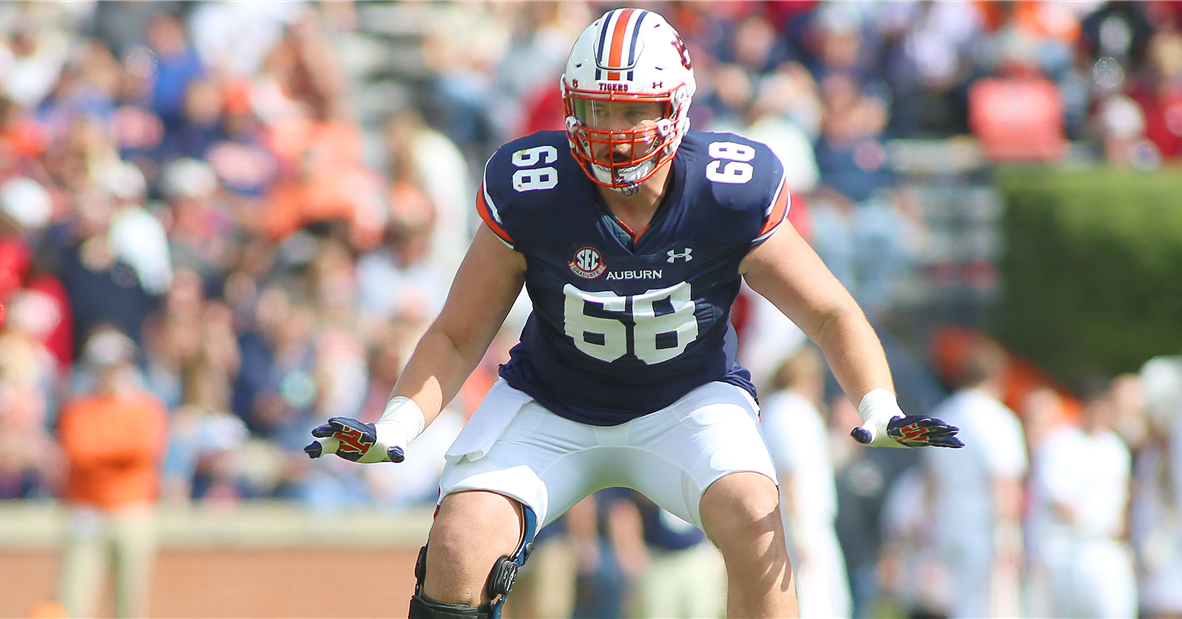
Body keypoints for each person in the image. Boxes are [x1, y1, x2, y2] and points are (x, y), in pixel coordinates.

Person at [307, 8, 962, 619]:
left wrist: (879, 405)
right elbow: (455, 334)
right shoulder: (536, 187)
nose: (611, 131)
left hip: (687, 399)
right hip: (552, 399)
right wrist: (395, 425)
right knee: (459, 539)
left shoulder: (727, 189)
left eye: (630, 111)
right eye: (594, 109)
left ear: (674, 107)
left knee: (756, 515)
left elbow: (828, 311)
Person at [55, 327, 169, 618]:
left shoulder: (145, 408)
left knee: (130, 604)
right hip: (87, 512)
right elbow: (80, 450)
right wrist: (118, 451)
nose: (110, 374)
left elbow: (144, 448)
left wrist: (106, 449)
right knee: (73, 601)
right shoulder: (78, 409)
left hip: (132, 511)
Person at [921, 338, 1027, 619]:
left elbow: (931, 482)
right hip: (983, 527)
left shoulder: (941, 416)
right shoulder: (997, 419)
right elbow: (1003, 483)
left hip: (948, 523)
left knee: (956, 606)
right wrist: (1008, 536)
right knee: (987, 608)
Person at [760, 345, 852, 618]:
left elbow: (816, 467)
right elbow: (791, 474)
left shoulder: (782, 409)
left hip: (800, 521)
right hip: (803, 521)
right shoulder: (792, 411)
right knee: (818, 604)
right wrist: (800, 531)